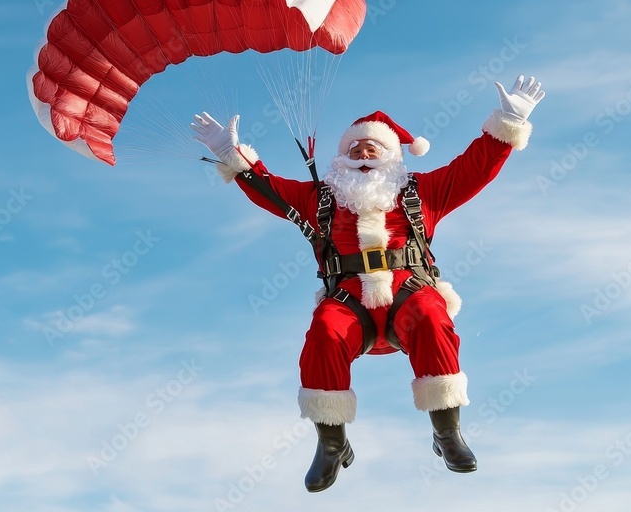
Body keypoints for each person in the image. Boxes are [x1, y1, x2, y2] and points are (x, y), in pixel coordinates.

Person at [191, 75, 545, 492]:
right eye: (354, 147)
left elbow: (474, 168)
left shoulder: (423, 191)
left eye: (372, 146)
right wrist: (227, 152)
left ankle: (447, 432)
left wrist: (509, 119)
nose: (362, 151)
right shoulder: (321, 198)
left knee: (432, 317)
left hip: (408, 294)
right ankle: (332, 443)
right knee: (324, 331)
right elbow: (269, 190)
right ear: (341, 158)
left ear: (393, 156)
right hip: (348, 298)